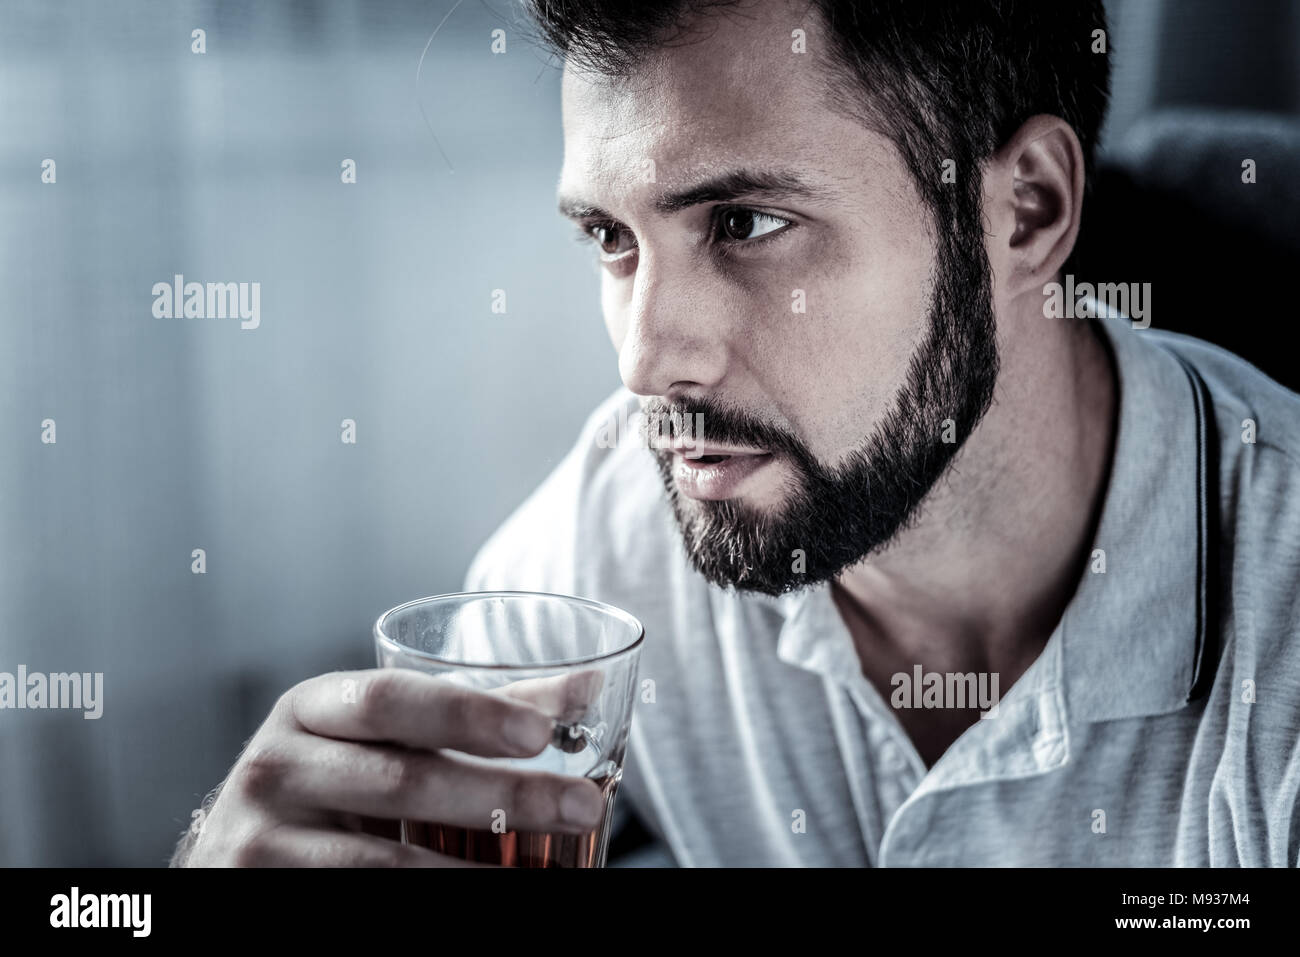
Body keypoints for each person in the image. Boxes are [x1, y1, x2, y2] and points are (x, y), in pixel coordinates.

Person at [172, 0, 1300, 867]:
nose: (644, 361)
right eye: (612, 237)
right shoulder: (611, 544)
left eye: (747, 223)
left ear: (1026, 211)